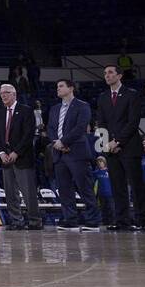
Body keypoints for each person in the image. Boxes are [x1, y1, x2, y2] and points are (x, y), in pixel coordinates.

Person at [96, 64, 145, 231]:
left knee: (136, 185)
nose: (107, 76)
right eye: (105, 73)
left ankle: (141, 221)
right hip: (111, 149)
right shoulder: (103, 97)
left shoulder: (132, 95)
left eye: (110, 72)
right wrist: (106, 144)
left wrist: (116, 141)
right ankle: (122, 221)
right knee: (117, 186)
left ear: (119, 76)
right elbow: (101, 123)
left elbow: (132, 123)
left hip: (130, 146)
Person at [49, 79, 100, 231]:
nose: (58, 89)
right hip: (59, 152)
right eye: (57, 86)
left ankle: (93, 220)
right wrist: (56, 143)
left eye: (61, 86)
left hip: (76, 151)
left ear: (71, 88)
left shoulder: (82, 106)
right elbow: (50, 128)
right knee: (64, 189)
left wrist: (63, 141)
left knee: (84, 187)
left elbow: (80, 128)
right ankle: (70, 219)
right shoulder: (54, 108)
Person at [0, 83, 40, 230]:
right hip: (5, 158)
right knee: (10, 192)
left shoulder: (26, 111)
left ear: (14, 94)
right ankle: (16, 221)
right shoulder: (0, 111)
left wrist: (16, 152)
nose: (3, 95)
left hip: (22, 157)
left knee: (28, 192)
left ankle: (34, 221)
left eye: (6, 92)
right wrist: (1, 152)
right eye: (1, 93)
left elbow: (28, 135)